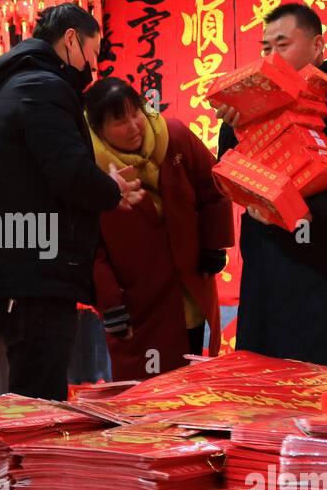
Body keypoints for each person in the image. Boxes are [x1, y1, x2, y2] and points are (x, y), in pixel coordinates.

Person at [0, 3, 144, 400]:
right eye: (93, 53)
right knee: (38, 402)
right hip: (35, 275)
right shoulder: (41, 88)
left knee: (35, 392)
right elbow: (67, 172)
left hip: (26, 270)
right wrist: (110, 190)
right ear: (71, 40)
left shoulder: (20, 85)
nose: (93, 66)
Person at [215, 2, 327, 375]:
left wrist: (304, 213)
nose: (272, 56)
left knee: (325, 388)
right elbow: (232, 167)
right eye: (266, 48)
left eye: (283, 44)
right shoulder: (251, 102)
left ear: (318, 45)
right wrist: (236, 126)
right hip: (267, 267)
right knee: (263, 386)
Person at [86, 78, 233, 380]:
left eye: (135, 113)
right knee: (142, 396)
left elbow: (214, 186)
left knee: (190, 386)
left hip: (188, 286)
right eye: (119, 121)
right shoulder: (88, 170)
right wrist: (109, 302)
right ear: (99, 130)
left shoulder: (174, 136)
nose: (133, 126)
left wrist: (214, 245)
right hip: (137, 302)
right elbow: (90, 245)